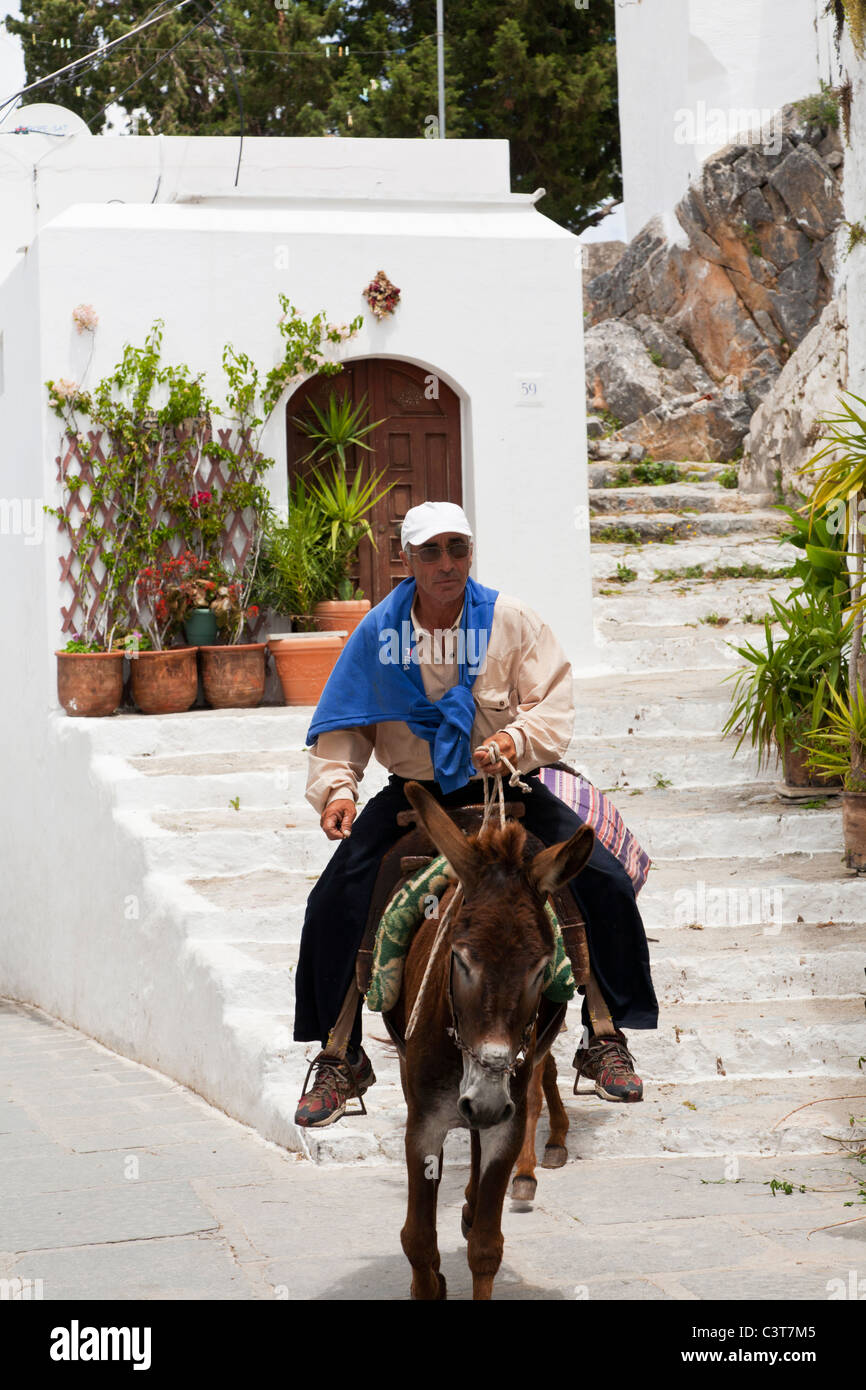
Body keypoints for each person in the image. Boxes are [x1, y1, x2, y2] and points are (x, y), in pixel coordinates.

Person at [293, 501, 658, 1127]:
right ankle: (340, 1053)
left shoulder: (511, 621)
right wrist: (339, 792)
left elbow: (552, 703)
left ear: (469, 554)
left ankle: (605, 1034)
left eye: (457, 549)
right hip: (416, 796)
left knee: (602, 880)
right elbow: (346, 725)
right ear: (405, 559)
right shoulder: (378, 633)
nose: (447, 564)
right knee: (334, 901)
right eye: (430, 552)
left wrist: (513, 742)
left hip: (507, 788)